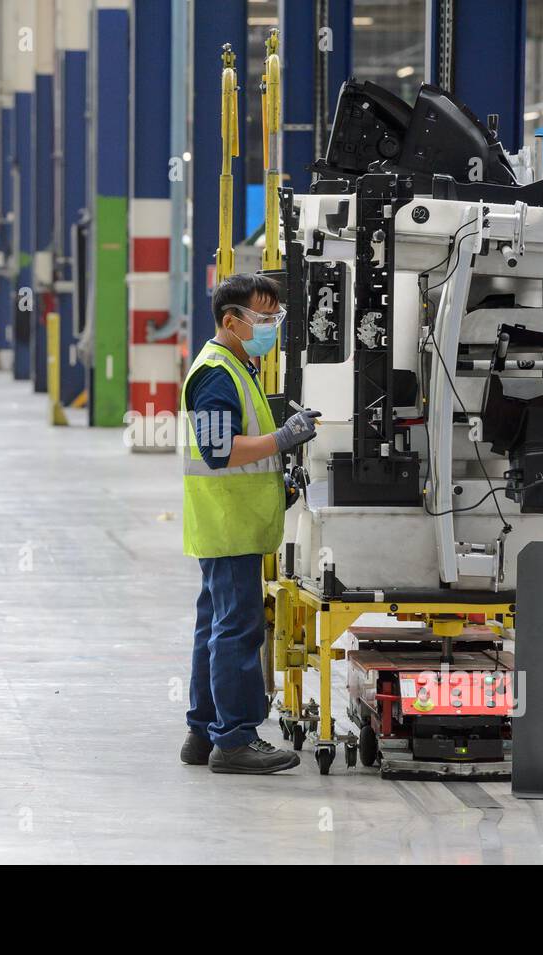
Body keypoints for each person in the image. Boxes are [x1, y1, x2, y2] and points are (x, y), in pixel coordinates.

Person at [178, 273, 321, 774]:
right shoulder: (217, 373)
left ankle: (203, 733)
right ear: (230, 320)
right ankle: (235, 741)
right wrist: (286, 438)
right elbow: (221, 452)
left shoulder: (240, 365)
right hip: (228, 526)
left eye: (275, 318)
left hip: (228, 523)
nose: (270, 328)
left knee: (214, 628)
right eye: (262, 319)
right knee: (237, 632)